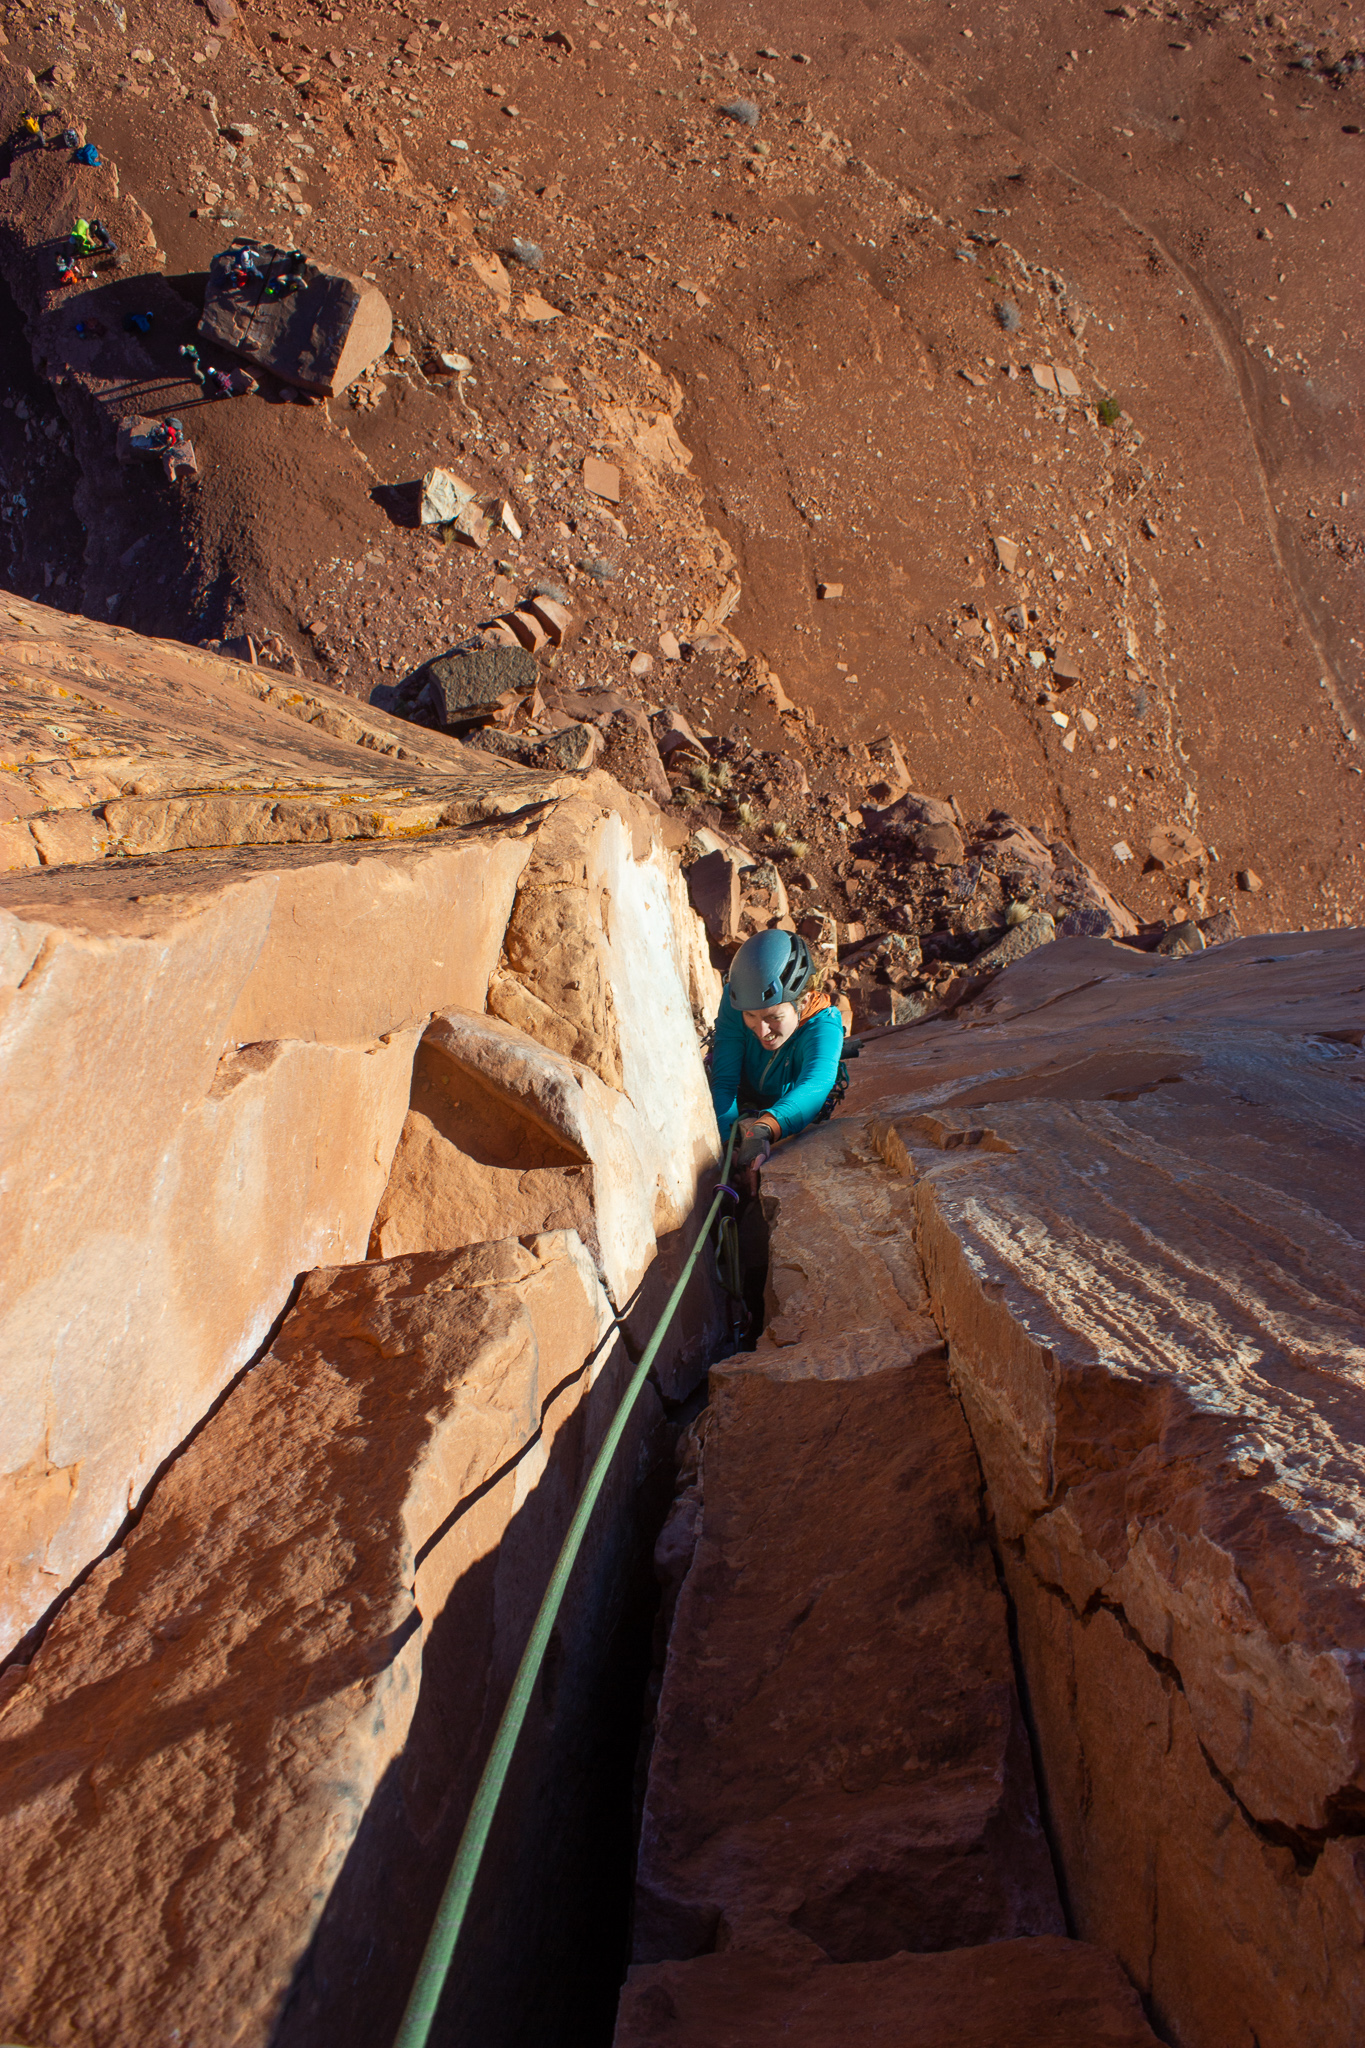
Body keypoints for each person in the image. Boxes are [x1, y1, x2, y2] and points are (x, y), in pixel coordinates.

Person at [709, 928, 846, 1192]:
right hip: (742, 1092)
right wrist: (730, 1143)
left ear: (803, 1000)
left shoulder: (824, 1025)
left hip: (784, 1105)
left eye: (774, 1017)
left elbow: (817, 1083)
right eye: (750, 1016)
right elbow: (724, 1079)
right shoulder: (734, 1001)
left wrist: (764, 1129)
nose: (762, 1031)